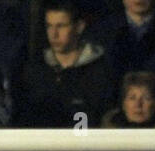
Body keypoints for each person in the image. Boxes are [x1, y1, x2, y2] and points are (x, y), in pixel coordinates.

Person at [16, 0, 116, 128]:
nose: (54, 34)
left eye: (61, 26)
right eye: (49, 26)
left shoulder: (101, 70)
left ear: (79, 27)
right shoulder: (35, 69)